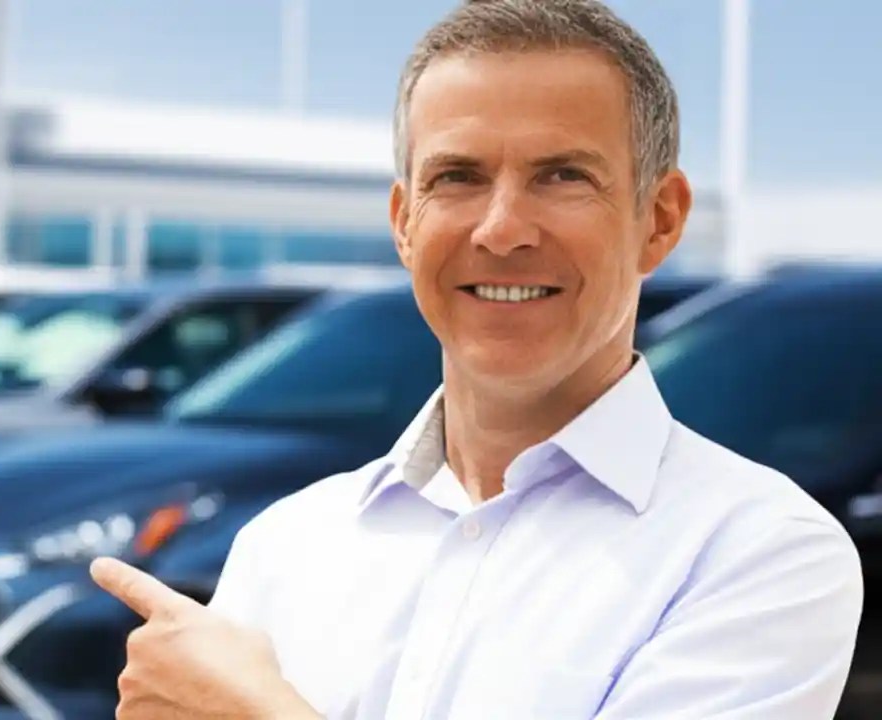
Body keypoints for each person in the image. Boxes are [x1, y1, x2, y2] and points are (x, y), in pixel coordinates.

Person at [90, 0, 865, 717]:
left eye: (562, 176)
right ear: (403, 223)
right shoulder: (286, 545)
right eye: (458, 177)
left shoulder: (761, 552)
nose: (501, 229)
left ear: (658, 221)